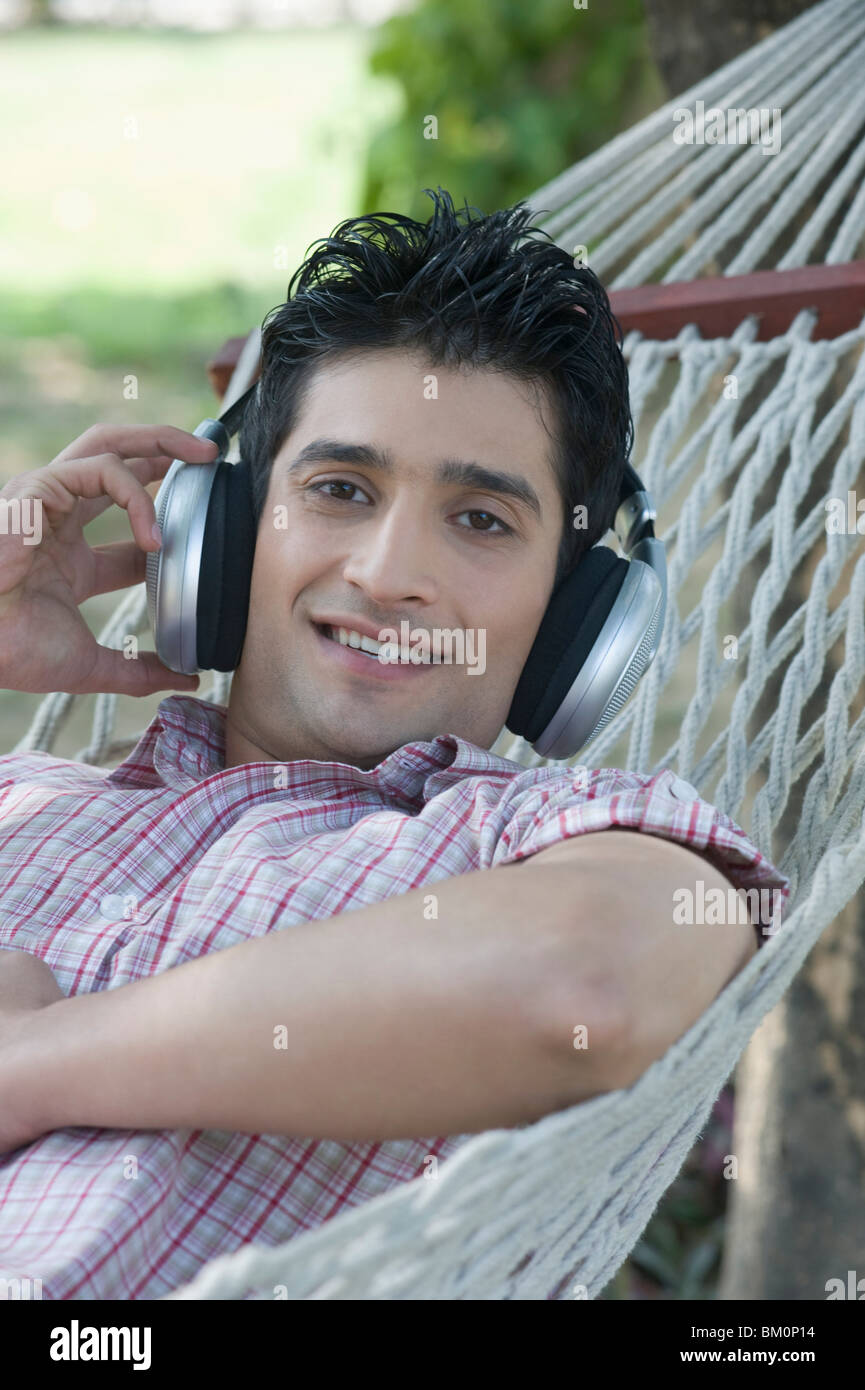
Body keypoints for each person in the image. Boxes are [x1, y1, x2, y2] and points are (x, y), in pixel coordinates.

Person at [0, 188, 789, 1299]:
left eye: (479, 518)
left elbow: (585, 984)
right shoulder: (24, 796)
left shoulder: (544, 846)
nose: (385, 570)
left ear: (577, 619)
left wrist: (33, 1063)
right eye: (338, 488)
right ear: (218, 534)